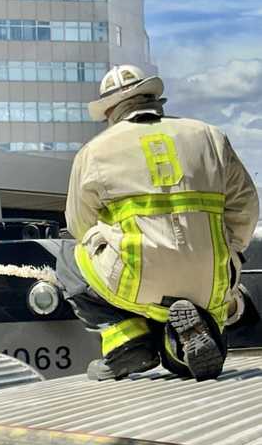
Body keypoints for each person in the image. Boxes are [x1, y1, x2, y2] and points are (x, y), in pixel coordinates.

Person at [55, 64, 259, 382]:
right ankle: (180, 349)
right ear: (155, 98)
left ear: (109, 110)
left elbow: (79, 225)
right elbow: (245, 208)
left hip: (136, 283)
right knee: (185, 342)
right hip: (210, 282)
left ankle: (128, 342)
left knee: (70, 256)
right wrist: (228, 253)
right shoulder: (210, 136)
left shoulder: (94, 152)